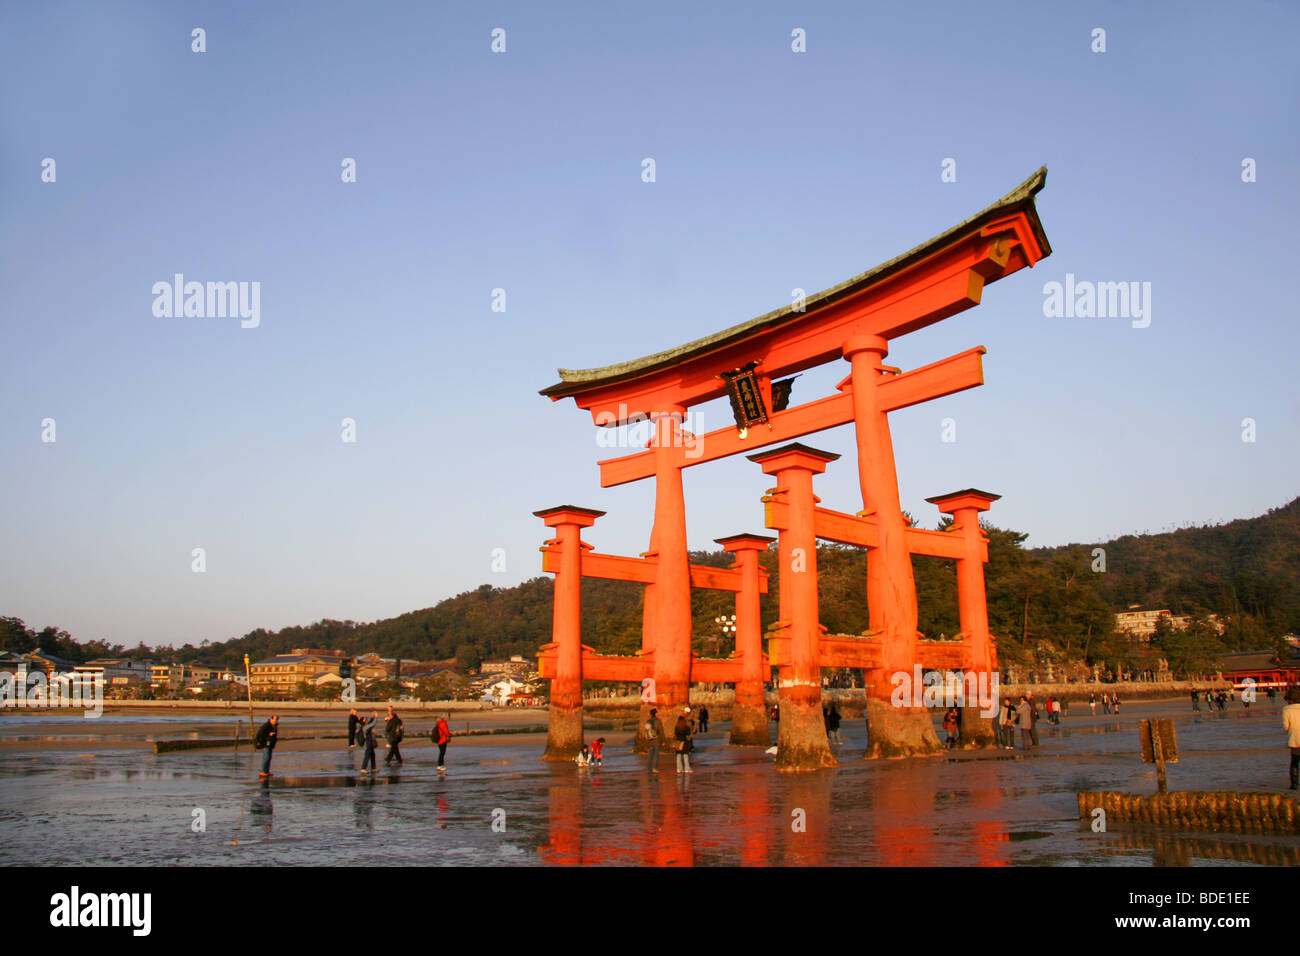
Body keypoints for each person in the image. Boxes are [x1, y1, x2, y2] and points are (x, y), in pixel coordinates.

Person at [1283, 686, 1300, 790]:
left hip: (1295, 739)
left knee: (1295, 762)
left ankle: (1294, 784)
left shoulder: (1287, 710)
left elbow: (1286, 726)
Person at [644, 708, 666, 774]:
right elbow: (661, 731)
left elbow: (646, 731)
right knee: (656, 754)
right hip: (657, 739)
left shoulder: (648, 721)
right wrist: (663, 741)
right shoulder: (658, 721)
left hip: (650, 740)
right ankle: (655, 768)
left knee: (650, 754)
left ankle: (649, 768)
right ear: (655, 714)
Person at [674, 707, 695, 774]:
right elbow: (688, 735)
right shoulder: (686, 728)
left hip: (678, 742)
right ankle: (687, 768)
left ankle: (679, 768)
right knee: (685, 756)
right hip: (685, 742)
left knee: (678, 756)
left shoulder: (676, 727)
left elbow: (675, 734)